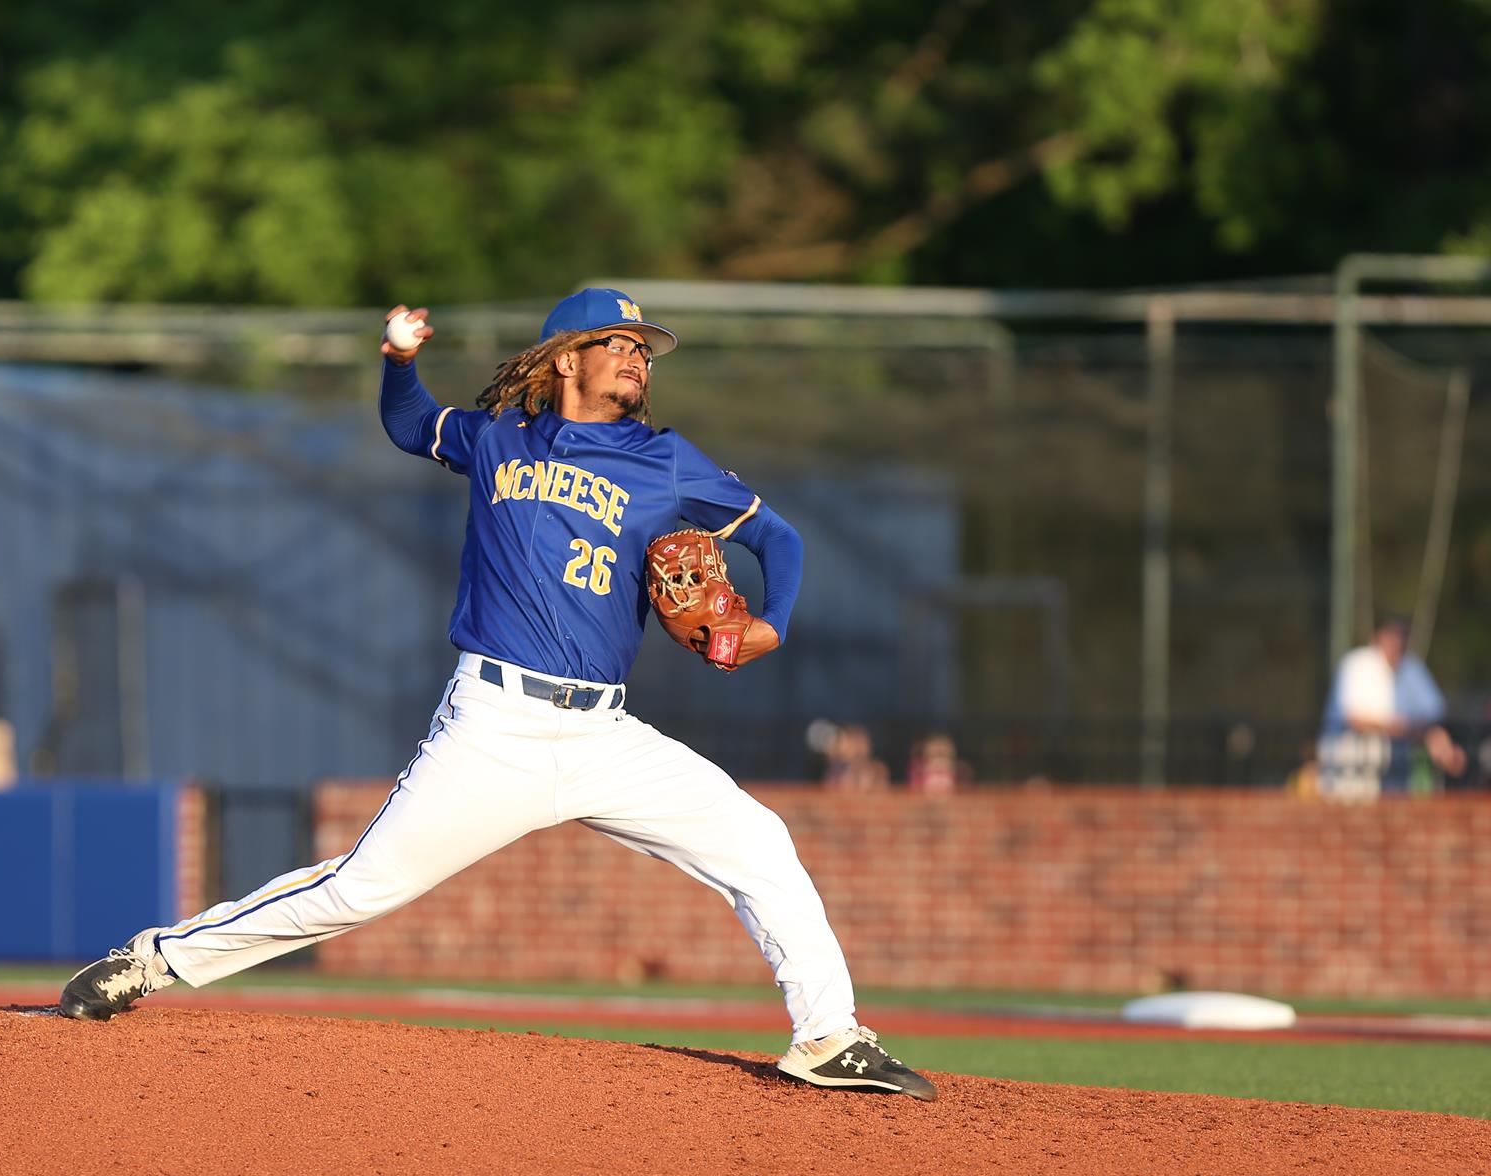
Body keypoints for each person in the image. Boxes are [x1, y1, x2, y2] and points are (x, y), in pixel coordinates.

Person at [56, 288, 937, 1102]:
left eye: (645, 348)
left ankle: (828, 1036)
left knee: (759, 841)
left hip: (605, 733)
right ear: (567, 357)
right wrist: (398, 361)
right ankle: (153, 960)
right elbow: (409, 425)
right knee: (359, 889)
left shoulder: (665, 461)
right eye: (619, 342)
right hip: (494, 725)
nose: (638, 357)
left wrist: (770, 625)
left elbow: (778, 537)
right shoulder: (499, 437)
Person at [1318, 614, 1466, 797]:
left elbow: (1434, 714)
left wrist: (1441, 745)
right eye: (1391, 636)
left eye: (1401, 636)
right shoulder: (1356, 664)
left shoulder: (1412, 667)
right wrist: (1397, 727)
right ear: (1377, 637)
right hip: (1350, 766)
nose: (1396, 642)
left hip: (1395, 768)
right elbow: (1354, 719)